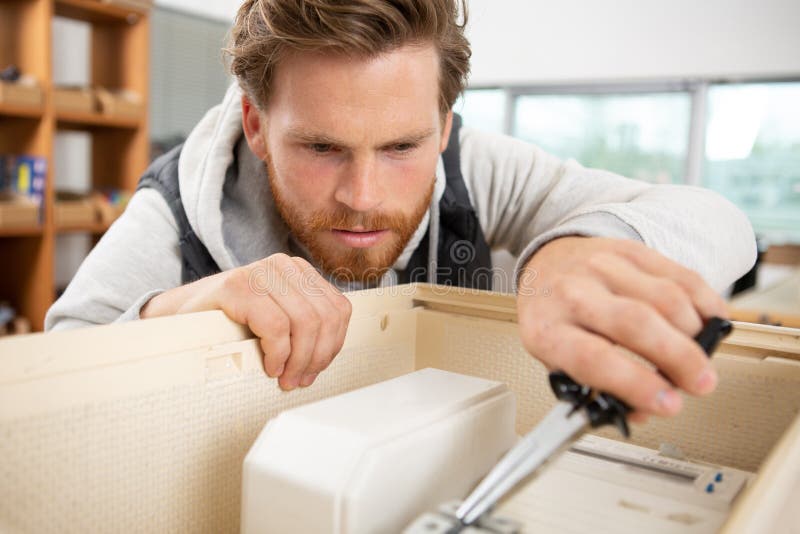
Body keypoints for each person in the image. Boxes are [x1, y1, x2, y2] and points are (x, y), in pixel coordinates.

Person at [46, 0, 755, 423]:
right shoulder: (175, 201)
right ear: (256, 126)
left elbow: (724, 225)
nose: (364, 195)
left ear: (444, 126)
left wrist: (572, 251)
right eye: (322, 146)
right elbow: (55, 367)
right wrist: (190, 303)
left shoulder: (479, 167)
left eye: (401, 147)